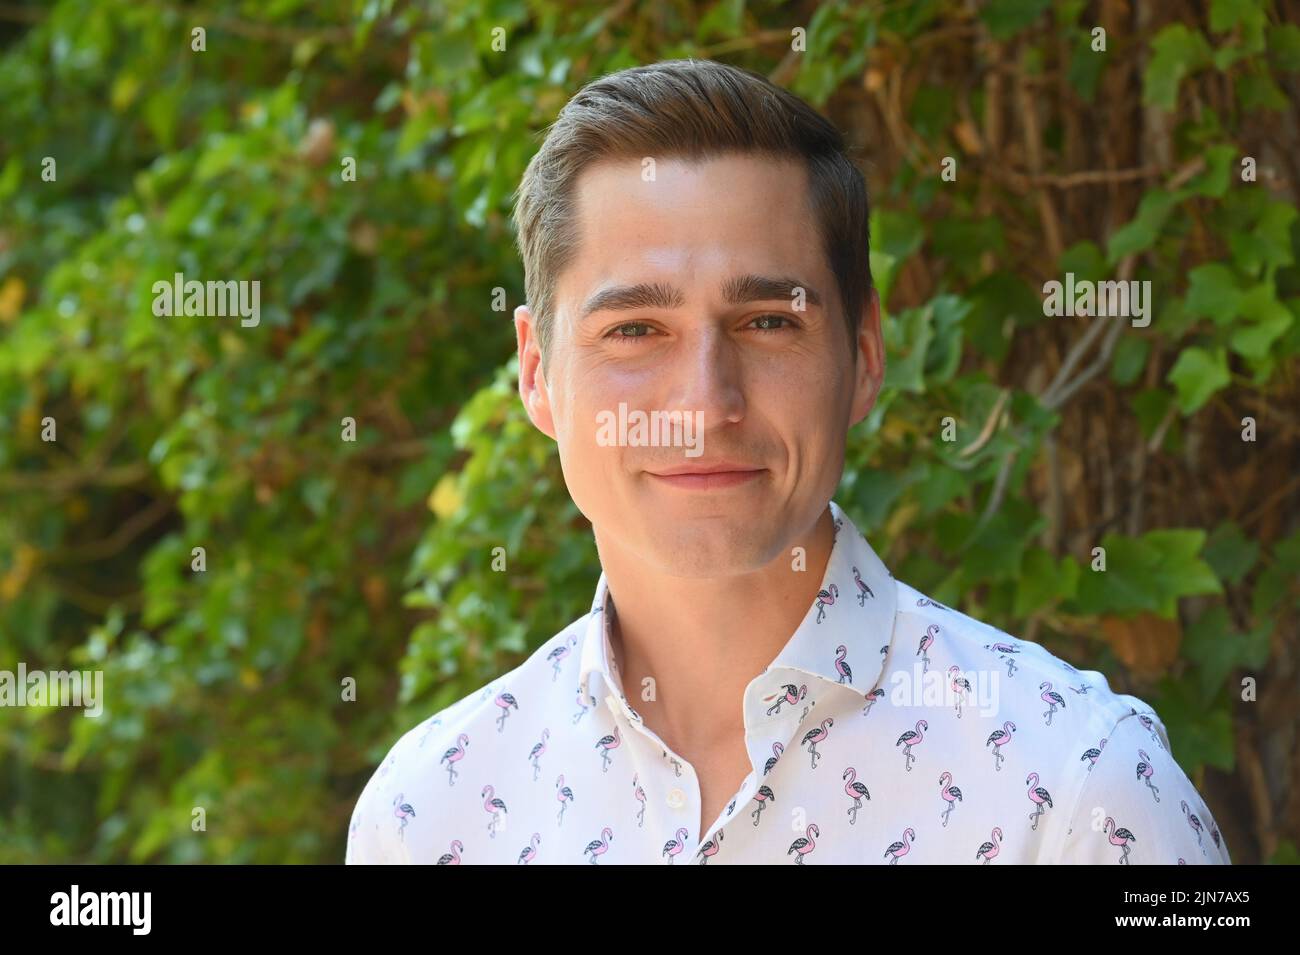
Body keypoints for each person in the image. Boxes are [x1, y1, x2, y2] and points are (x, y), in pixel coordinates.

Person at [346, 59, 1228, 865]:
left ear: (866, 354)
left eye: (768, 321)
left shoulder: (1083, 787)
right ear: (538, 374)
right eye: (635, 331)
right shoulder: (428, 815)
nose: (705, 405)